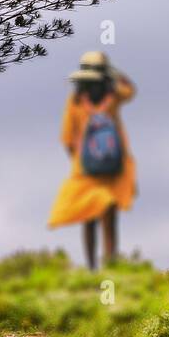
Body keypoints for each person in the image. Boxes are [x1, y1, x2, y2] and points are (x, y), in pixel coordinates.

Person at [48, 52, 137, 269]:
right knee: (108, 218)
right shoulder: (113, 96)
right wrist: (114, 71)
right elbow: (129, 89)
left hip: (85, 169)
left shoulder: (77, 101)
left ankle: (93, 268)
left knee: (90, 218)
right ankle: (110, 265)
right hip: (113, 165)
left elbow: (67, 137)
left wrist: (79, 159)